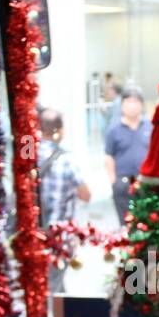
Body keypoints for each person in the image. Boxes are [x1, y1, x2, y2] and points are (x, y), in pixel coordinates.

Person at [38, 108, 91, 294]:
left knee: (51, 280)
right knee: (53, 282)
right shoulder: (67, 159)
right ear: (59, 131)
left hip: (34, 233)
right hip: (59, 235)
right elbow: (86, 194)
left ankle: (62, 316)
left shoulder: (28, 153)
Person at [103, 85, 152, 224]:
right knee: (126, 223)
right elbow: (109, 156)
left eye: (135, 101)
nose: (132, 106)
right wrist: (113, 181)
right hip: (123, 184)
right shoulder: (114, 130)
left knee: (147, 222)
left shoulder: (150, 127)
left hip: (146, 182)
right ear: (122, 105)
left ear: (142, 105)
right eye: (128, 101)